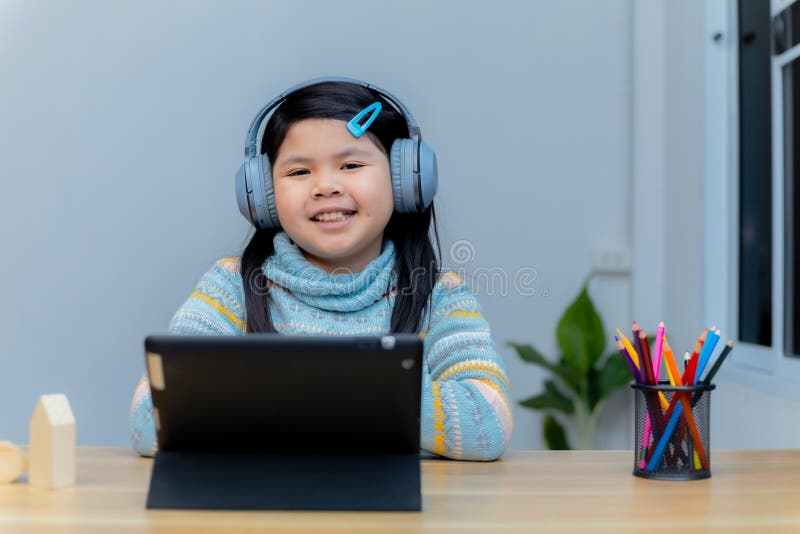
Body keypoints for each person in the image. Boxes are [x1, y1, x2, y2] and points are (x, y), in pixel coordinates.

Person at [129, 77, 513, 461]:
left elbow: (488, 426)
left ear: (405, 181)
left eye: (351, 164)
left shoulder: (439, 294)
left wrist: (293, 392)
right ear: (263, 194)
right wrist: (363, 396)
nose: (325, 186)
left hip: (394, 517)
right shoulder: (231, 286)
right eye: (299, 172)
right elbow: (151, 421)